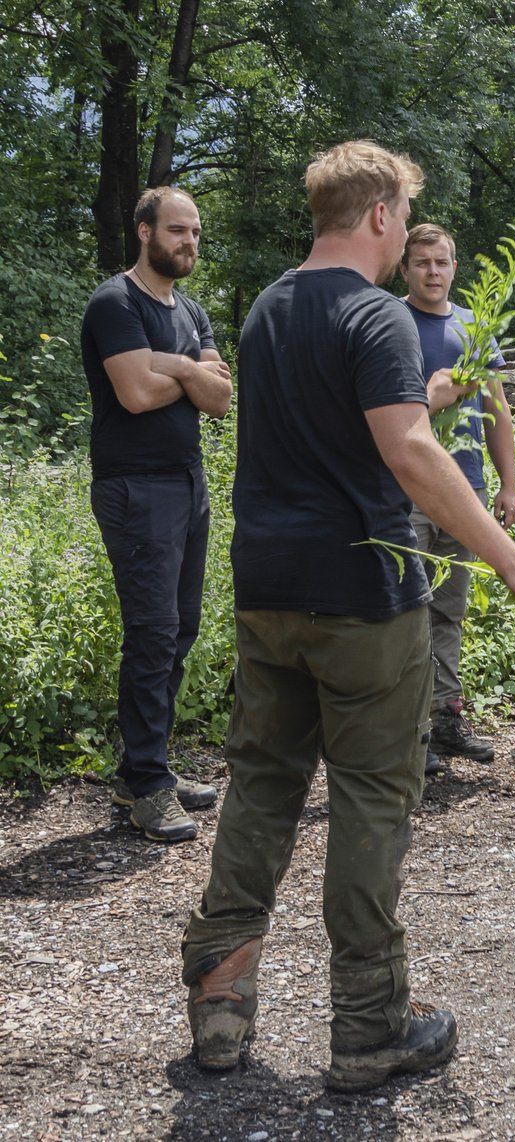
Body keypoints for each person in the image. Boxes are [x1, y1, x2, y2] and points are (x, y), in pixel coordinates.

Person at [180, 141, 515, 1090]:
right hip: (363, 596)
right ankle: (369, 1027)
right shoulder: (376, 312)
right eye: (402, 224)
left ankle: (221, 1009)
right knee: (370, 800)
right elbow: (412, 450)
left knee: (262, 785)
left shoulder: (267, 308)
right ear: (382, 216)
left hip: (267, 588)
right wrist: (510, 556)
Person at [79, 185, 231, 843]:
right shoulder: (115, 303)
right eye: (177, 230)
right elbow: (137, 394)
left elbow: (220, 398)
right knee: (153, 632)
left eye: (195, 232)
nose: (189, 242)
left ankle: (146, 769)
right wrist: (188, 371)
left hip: (187, 483)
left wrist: (176, 367)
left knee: (180, 628)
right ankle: (145, 787)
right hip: (135, 488)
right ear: (145, 232)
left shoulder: (191, 310)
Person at [400, 223, 515, 773]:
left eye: (441, 262)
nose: (433, 272)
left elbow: (497, 410)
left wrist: (507, 484)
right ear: (405, 268)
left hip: (465, 490)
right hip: (408, 491)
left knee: (449, 610)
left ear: (454, 268)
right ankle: (410, 730)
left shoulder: (474, 327)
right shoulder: (390, 320)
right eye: (422, 262)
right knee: (408, 611)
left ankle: (445, 717)